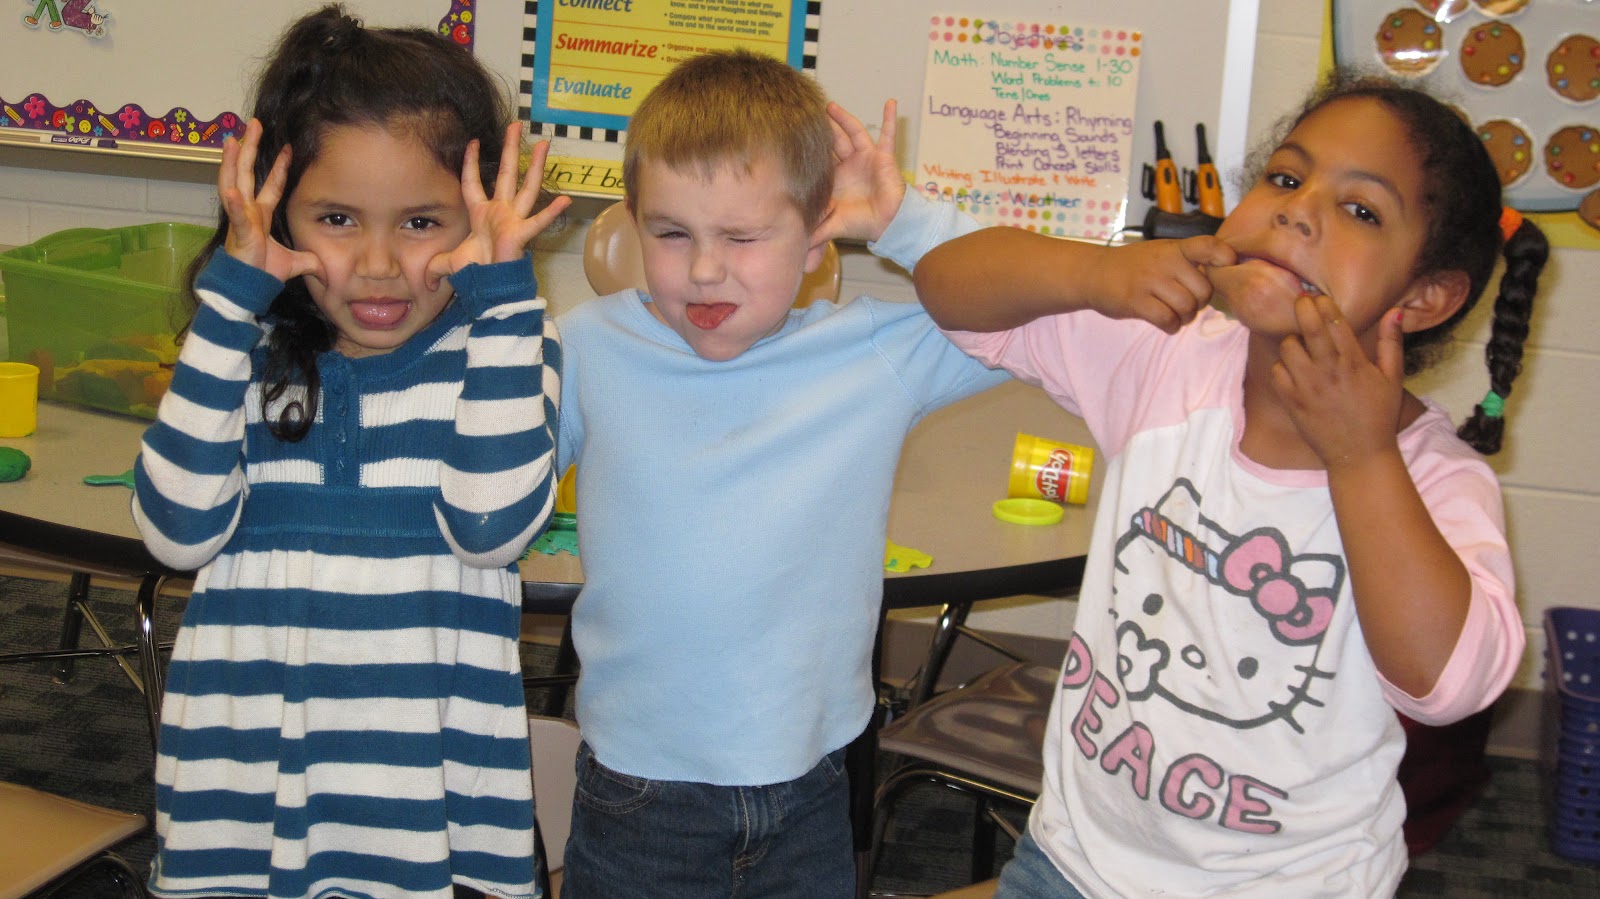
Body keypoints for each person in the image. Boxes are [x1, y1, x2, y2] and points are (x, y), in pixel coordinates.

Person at [551, 49, 1221, 898]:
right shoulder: (587, 346)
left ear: (817, 230)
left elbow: (1057, 296)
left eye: (745, 236)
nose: (705, 269)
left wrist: (905, 220)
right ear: (633, 220)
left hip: (810, 783)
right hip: (639, 789)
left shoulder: (871, 351)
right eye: (671, 232)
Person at [913, 71, 1546, 897]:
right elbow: (947, 288)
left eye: (1361, 210)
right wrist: (1099, 275)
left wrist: (1361, 459)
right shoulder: (1168, 359)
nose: (1297, 208)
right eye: (1286, 177)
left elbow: (1449, 683)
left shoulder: (1431, 476)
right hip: (1073, 858)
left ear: (1424, 298)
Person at [131, 6, 570, 898]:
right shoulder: (240, 352)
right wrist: (227, 309)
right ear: (275, 209)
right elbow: (175, 533)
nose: (376, 263)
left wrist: (506, 300)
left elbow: (490, 528)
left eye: (421, 223)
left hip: (424, 790)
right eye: (336, 217)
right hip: (246, 779)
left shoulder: (509, 349)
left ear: (479, 215)